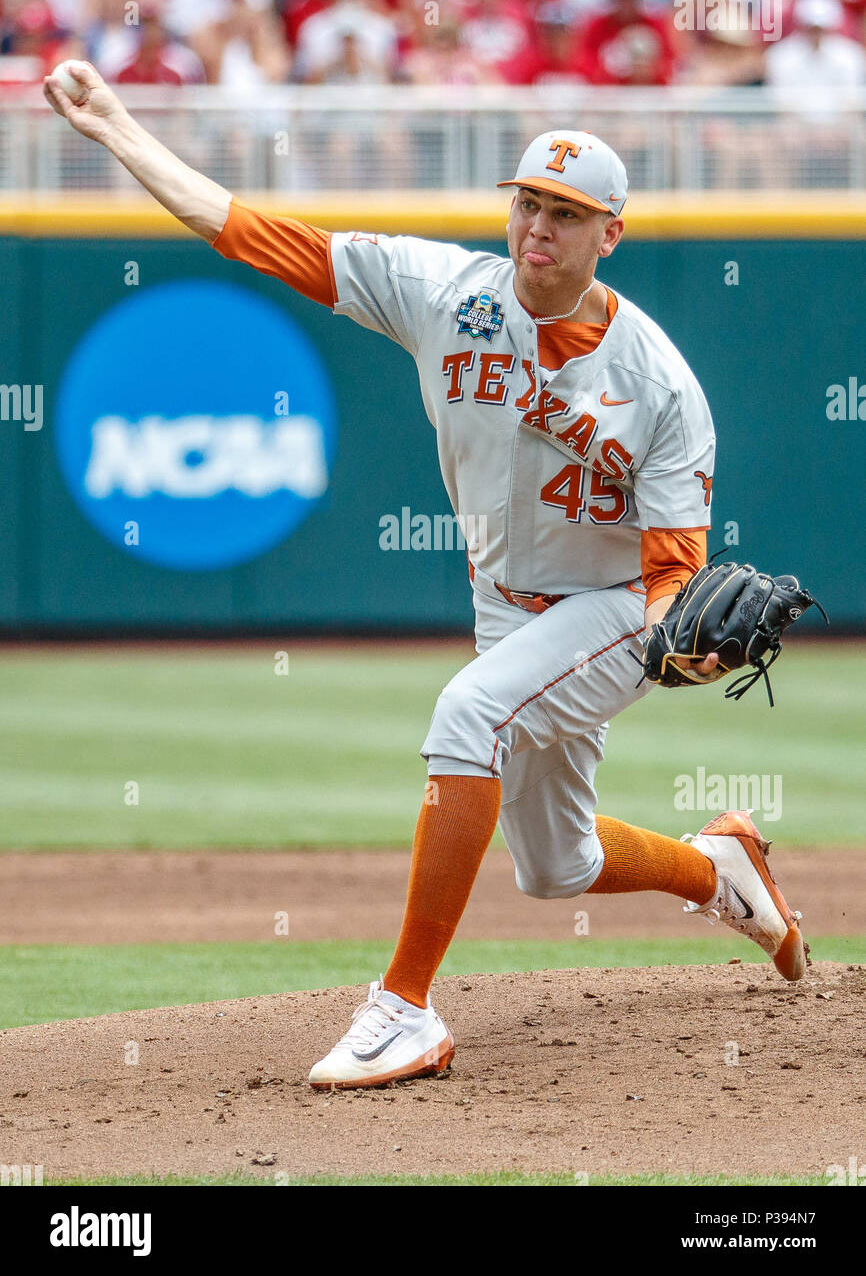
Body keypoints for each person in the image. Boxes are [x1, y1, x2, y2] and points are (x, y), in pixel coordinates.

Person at [44, 64, 808, 1091]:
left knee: (466, 716)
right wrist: (121, 129)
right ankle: (715, 869)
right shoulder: (442, 290)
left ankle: (400, 1008)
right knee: (556, 866)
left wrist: (684, 650)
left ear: (606, 236)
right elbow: (253, 233)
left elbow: (673, 572)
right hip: (506, 604)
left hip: (612, 608)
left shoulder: (659, 383)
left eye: (566, 213)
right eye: (527, 201)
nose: (537, 225)